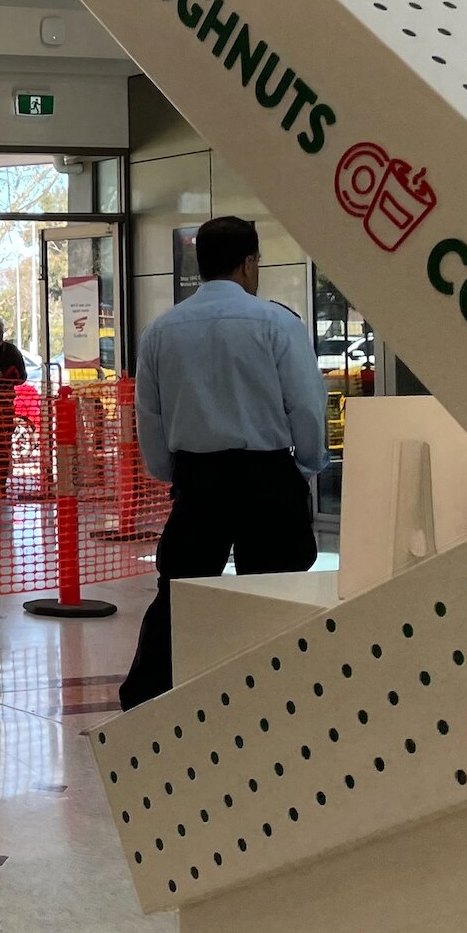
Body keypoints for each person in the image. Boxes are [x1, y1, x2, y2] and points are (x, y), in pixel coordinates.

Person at [119, 218, 326, 711]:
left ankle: (147, 703)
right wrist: (307, 466)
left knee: (180, 594)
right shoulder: (277, 324)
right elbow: (306, 405)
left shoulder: (160, 331)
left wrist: (172, 473)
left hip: (199, 479)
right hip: (268, 476)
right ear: (250, 262)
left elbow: (148, 415)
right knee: (278, 591)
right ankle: (281, 698)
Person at [0, 316, 29, 503]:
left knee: (2, 447)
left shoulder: (11, 352)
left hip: (3, 407)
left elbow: (22, 377)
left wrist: (7, 379)